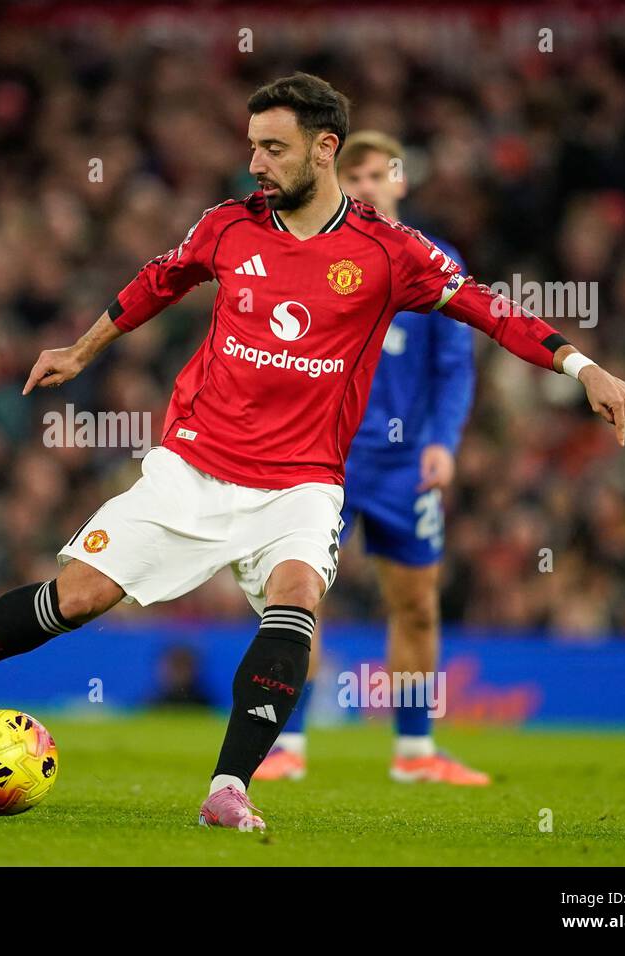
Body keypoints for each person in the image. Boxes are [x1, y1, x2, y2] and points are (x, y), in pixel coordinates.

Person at [0, 74, 625, 831]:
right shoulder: (228, 227)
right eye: (251, 144)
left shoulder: (391, 253)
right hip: (191, 466)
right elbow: (159, 279)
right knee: (76, 596)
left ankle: (229, 788)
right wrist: (83, 349)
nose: (255, 161)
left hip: (302, 482)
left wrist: (582, 366)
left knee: (296, 598)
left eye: (273, 147)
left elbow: (492, 310)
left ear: (326, 149)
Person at [254, 130, 488, 786]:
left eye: (376, 176)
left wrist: (443, 440)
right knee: (300, 597)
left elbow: (454, 368)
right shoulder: (310, 254)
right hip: (319, 460)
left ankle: (415, 752)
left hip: (404, 467)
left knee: (415, 605)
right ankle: (287, 744)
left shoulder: (436, 261)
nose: (365, 188)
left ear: (400, 182)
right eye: (351, 178)